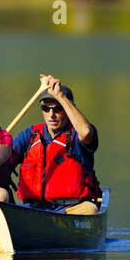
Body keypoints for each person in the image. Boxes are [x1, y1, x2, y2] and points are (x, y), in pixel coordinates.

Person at [11, 74, 102, 210]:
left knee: (89, 209)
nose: (51, 114)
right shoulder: (29, 135)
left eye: (58, 108)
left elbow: (86, 133)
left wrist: (61, 97)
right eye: (46, 108)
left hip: (73, 207)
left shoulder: (77, 134)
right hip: (33, 208)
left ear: (68, 109)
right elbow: (6, 158)